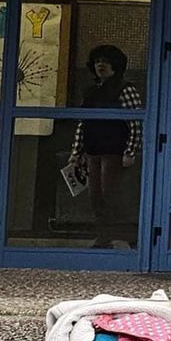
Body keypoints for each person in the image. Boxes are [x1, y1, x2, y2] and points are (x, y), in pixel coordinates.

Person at [68, 45, 142, 250]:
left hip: (114, 151)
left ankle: (128, 236)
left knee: (112, 195)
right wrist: (76, 152)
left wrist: (130, 151)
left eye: (106, 62)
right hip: (93, 150)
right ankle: (104, 237)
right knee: (96, 197)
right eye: (98, 61)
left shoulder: (125, 89)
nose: (101, 65)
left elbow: (135, 122)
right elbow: (83, 122)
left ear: (115, 65)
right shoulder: (91, 90)